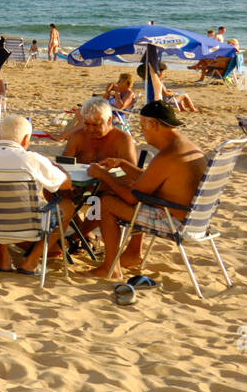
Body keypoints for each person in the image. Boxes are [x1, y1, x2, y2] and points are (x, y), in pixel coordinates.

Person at [83, 100, 207, 280]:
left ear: (154, 125)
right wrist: (123, 164)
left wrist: (103, 176)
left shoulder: (167, 155)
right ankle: (132, 254)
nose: (142, 131)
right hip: (197, 220)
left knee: (106, 203)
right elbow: (150, 180)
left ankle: (111, 268)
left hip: (174, 222)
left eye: (143, 127)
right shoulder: (187, 147)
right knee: (121, 195)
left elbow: (132, 197)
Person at [0, 114, 75, 275]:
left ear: (0, 135)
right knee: (67, 206)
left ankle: (5, 259)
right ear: (26, 139)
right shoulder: (31, 159)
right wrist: (57, 167)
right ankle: (31, 261)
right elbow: (65, 184)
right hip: (25, 229)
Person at [62, 98, 136, 166]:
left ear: (109, 120)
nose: (91, 129)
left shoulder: (123, 140)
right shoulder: (78, 136)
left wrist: (105, 175)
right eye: (86, 124)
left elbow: (131, 174)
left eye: (96, 125)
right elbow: (64, 164)